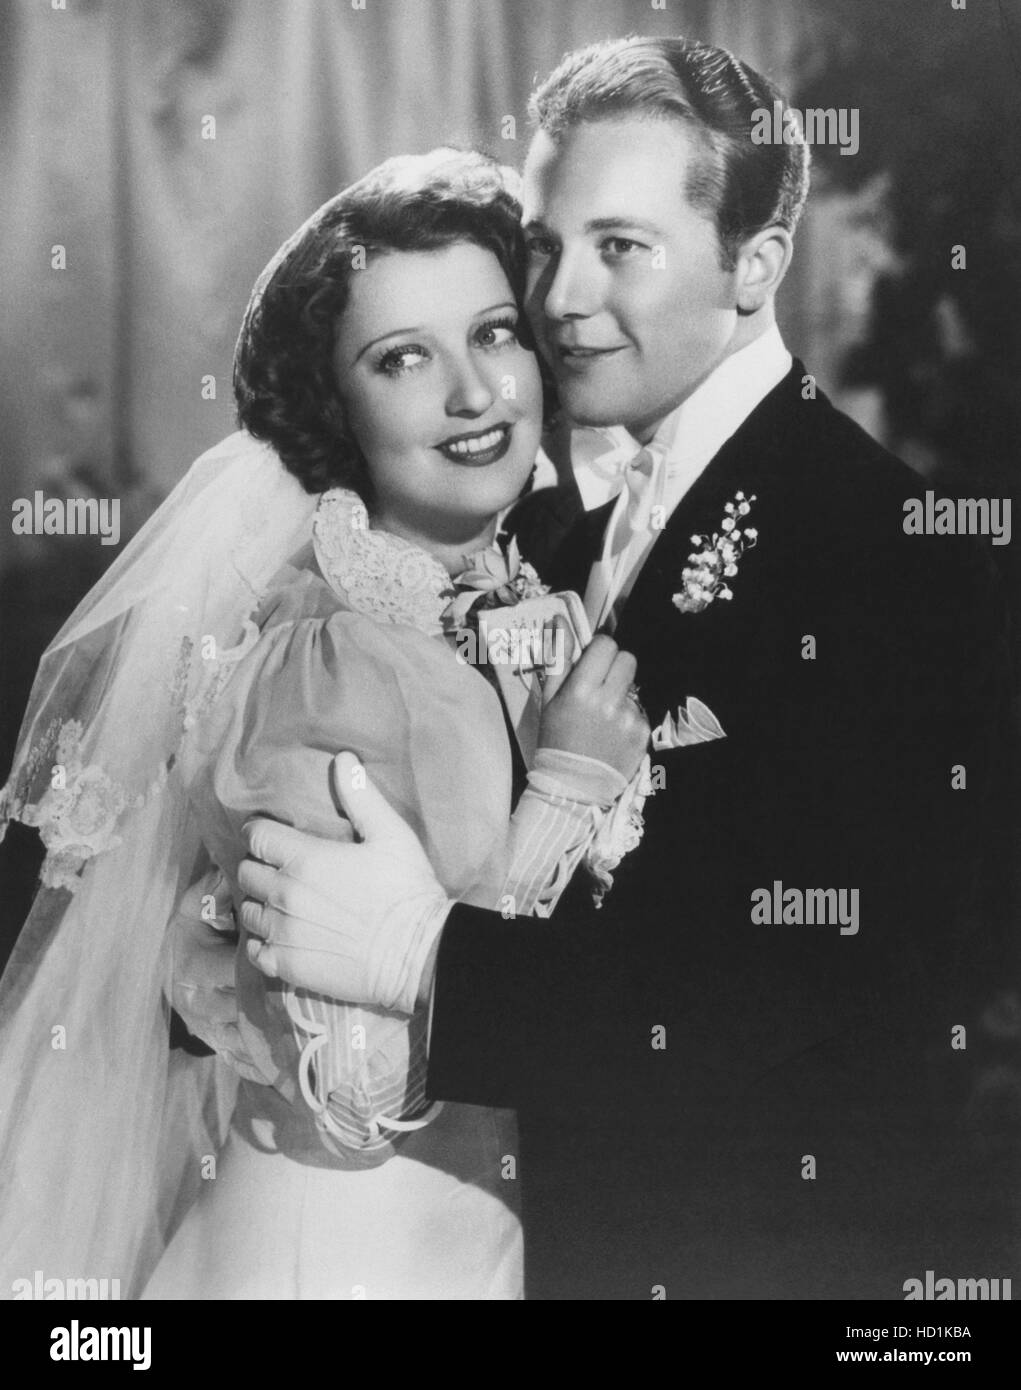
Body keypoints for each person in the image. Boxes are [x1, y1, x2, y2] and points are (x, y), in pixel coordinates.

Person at [236, 37, 1012, 1299]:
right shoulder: (557, 538)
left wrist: (428, 960)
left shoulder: (886, 554)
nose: (561, 300)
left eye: (623, 247)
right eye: (545, 243)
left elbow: (821, 999)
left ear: (756, 261)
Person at [0, 149, 650, 1300]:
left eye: (495, 333)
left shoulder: (529, 602)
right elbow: (358, 1086)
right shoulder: (325, 667)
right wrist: (562, 795)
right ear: (334, 408)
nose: (474, 392)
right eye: (403, 359)